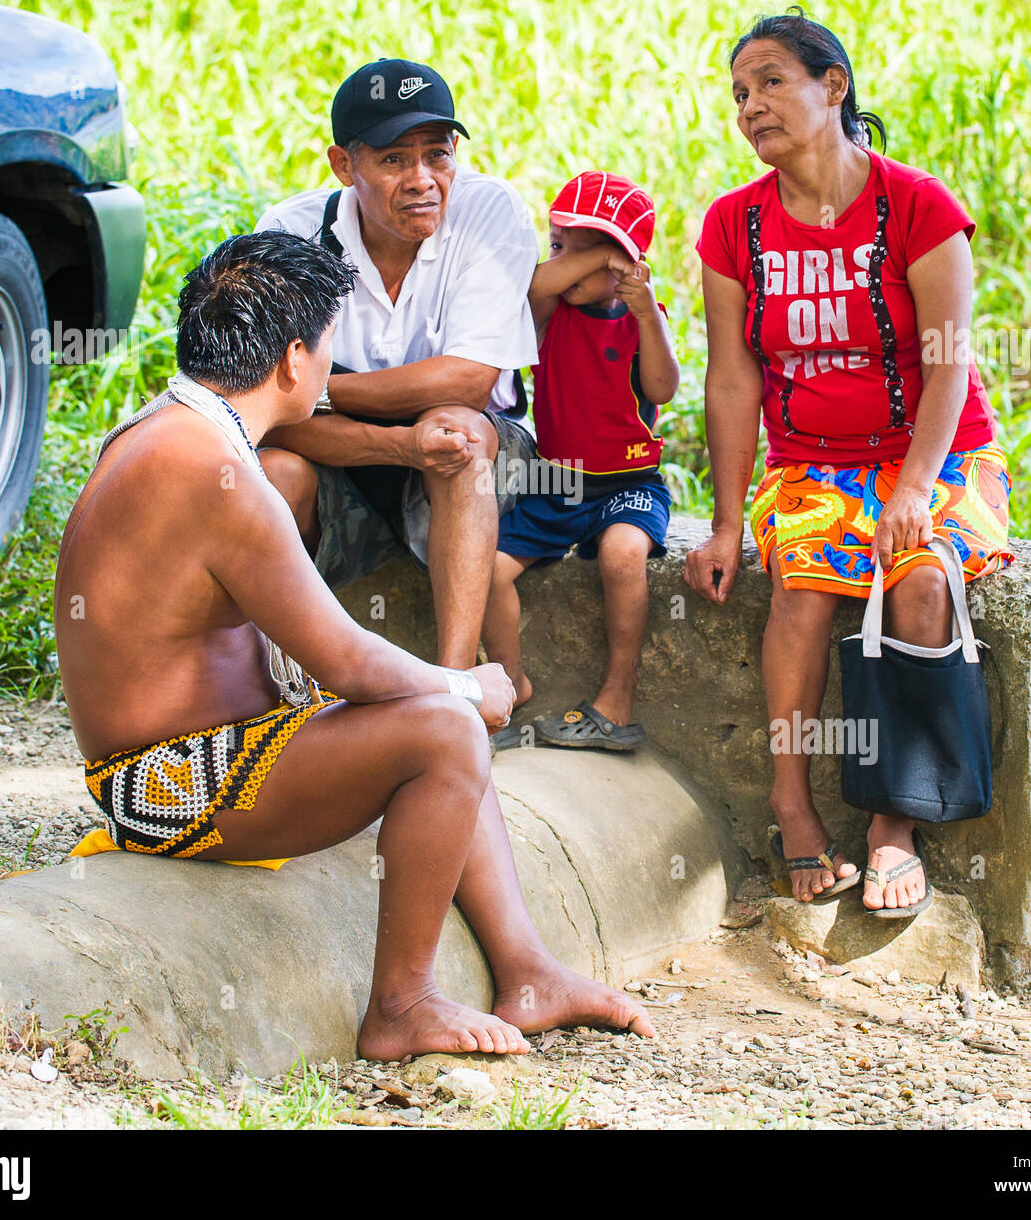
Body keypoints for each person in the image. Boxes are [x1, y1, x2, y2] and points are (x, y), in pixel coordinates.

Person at [54, 230, 653, 1061]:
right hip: (163, 788)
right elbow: (347, 661)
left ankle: (528, 973)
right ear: (296, 359)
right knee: (443, 727)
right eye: (331, 348)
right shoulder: (218, 477)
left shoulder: (170, 434)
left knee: (430, 708)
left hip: (188, 761)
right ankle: (402, 1007)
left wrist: (439, 687)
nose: (333, 372)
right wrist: (466, 687)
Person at [684, 9, 1014, 916]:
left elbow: (950, 355)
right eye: (740, 93)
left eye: (772, 82)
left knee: (918, 579)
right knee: (802, 585)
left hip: (940, 455)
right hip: (812, 468)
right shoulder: (732, 228)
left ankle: (892, 823)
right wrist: (722, 522)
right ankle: (792, 806)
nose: (752, 106)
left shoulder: (918, 205)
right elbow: (731, 380)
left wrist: (914, 485)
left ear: (834, 87)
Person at [254, 59, 540, 670]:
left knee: (457, 425)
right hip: (339, 458)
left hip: (482, 451)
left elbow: (468, 379)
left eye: (438, 154)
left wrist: (320, 391)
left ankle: (457, 688)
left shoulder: (489, 211)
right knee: (275, 471)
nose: (423, 180)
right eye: (392, 160)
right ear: (343, 165)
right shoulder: (289, 232)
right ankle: (273, 689)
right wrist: (402, 445)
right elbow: (267, 416)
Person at [482, 172, 679, 752]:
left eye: (582, 252)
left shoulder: (646, 319)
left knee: (623, 554)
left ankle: (616, 697)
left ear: (627, 267)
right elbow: (535, 285)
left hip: (629, 480)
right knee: (490, 569)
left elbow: (663, 388)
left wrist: (644, 310)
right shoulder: (548, 316)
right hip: (558, 478)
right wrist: (597, 251)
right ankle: (511, 680)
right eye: (558, 245)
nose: (564, 262)